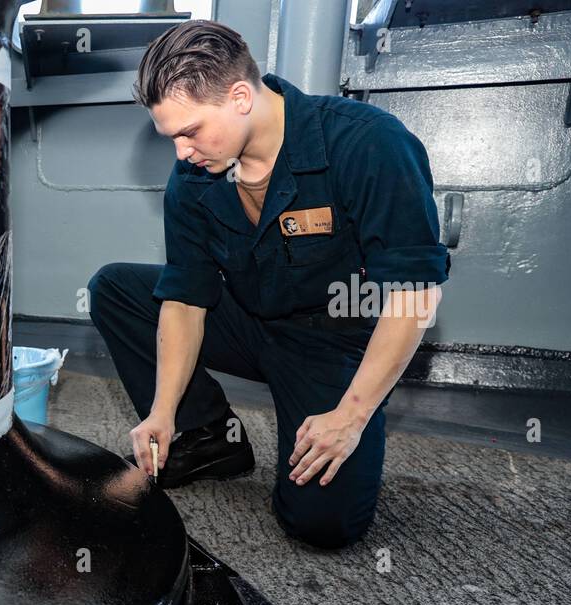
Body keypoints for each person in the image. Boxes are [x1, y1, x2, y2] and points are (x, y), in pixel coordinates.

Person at [87, 20, 448, 549]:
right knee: (116, 288)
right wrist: (162, 410)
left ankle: (329, 425)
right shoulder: (193, 176)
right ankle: (207, 437)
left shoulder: (368, 142)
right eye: (171, 137)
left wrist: (350, 416)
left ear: (239, 97)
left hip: (325, 341)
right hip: (244, 319)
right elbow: (187, 298)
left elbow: (414, 296)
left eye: (189, 131)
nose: (181, 153)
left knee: (323, 525)